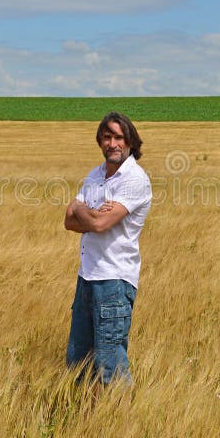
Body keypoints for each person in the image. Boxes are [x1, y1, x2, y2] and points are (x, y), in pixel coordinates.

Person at [64, 112, 152, 385]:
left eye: (118, 137)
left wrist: (84, 211)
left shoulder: (134, 179)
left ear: (130, 142)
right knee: (78, 364)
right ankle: (85, 421)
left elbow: (100, 223)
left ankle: (119, 424)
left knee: (110, 366)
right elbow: (69, 220)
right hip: (87, 277)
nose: (111, 143)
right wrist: (86, 212)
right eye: (106, 137)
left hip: (114, 281)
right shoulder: (96, 174)